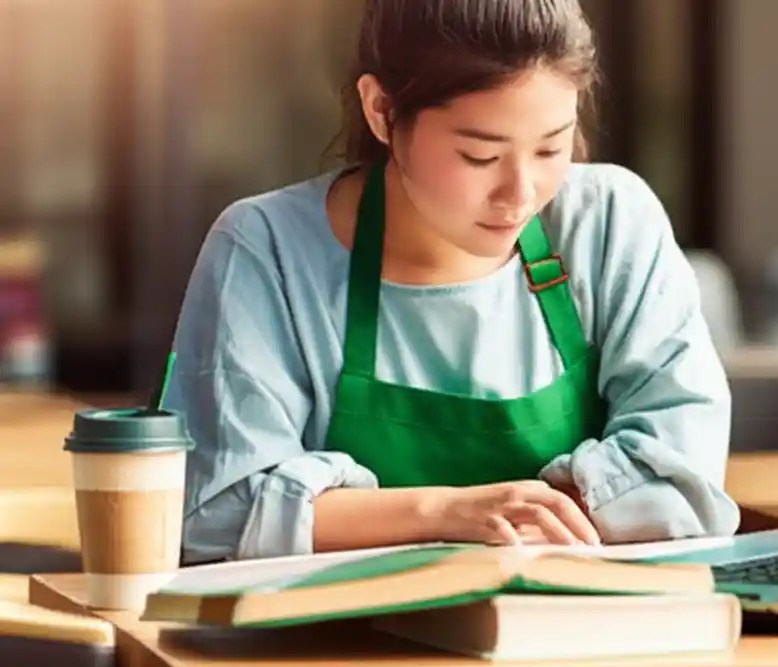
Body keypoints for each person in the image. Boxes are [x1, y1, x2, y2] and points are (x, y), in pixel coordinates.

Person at [164, 0, 740, 564]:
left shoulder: (610, 222)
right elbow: (215, 512)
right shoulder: (267, 249)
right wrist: (445, 513)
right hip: (339, 650)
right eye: (479, 156)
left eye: (550, 148)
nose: (520, 194)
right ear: (382, 111)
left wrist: (493, 521)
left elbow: (683, 474)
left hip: (579, 638)